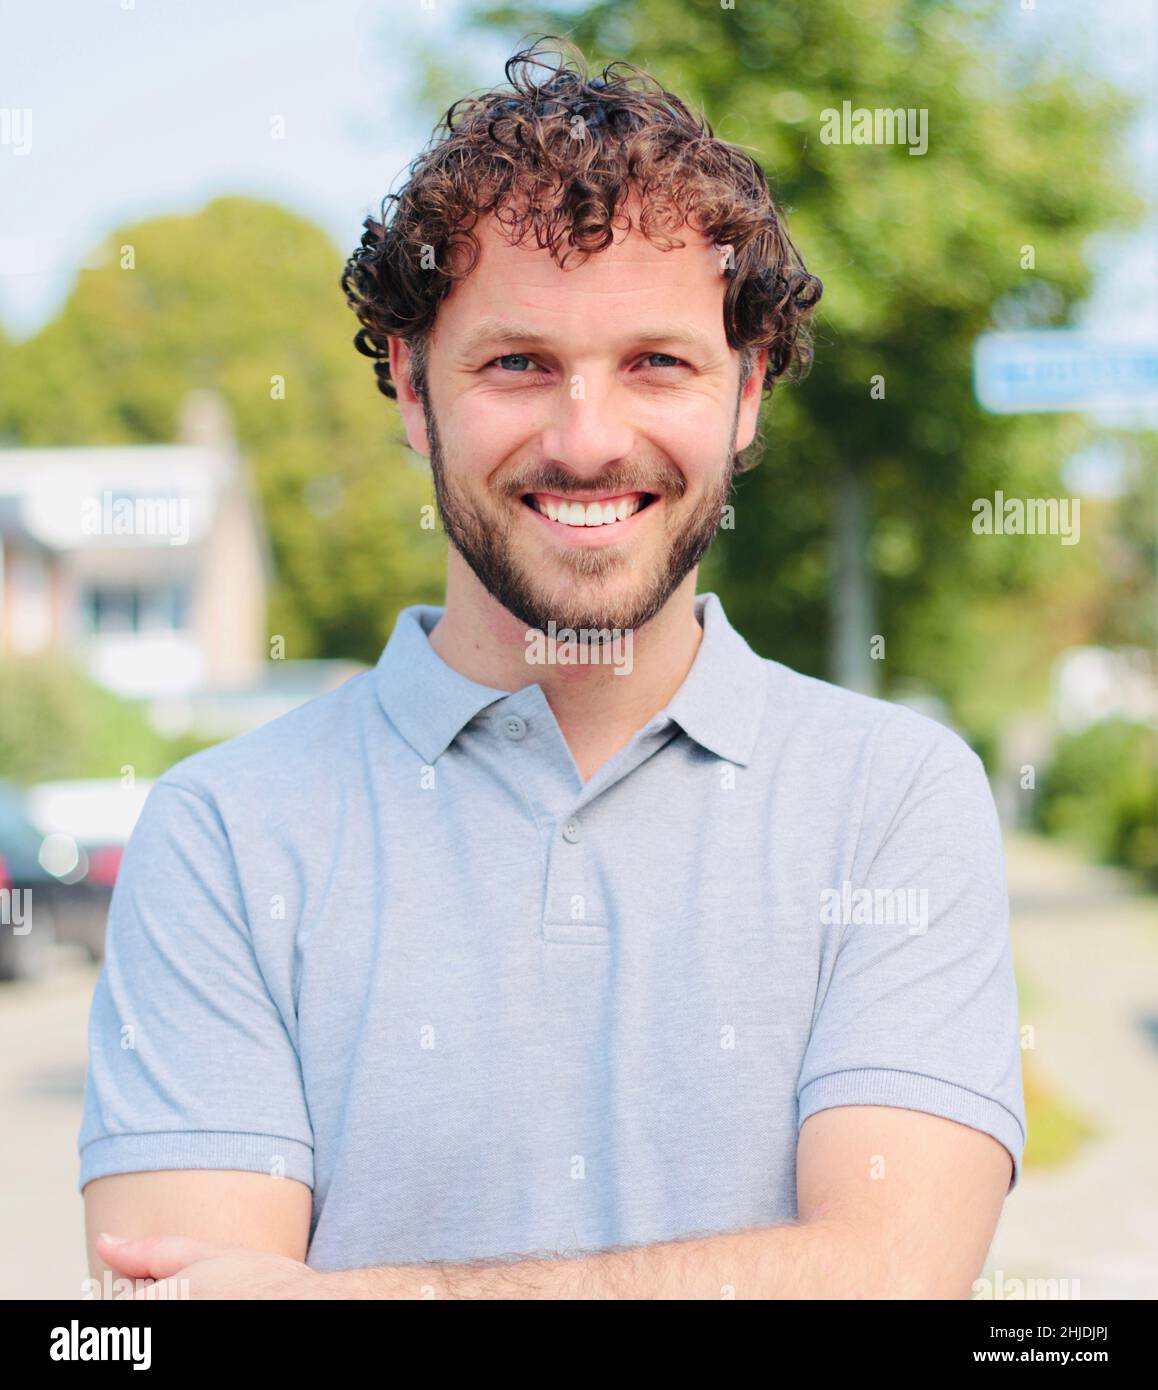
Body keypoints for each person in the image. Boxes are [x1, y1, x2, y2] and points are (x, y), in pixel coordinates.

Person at [80, 39, 1024, 1299]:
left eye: (657, 362)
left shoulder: (894, 798)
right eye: (518, 363)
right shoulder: (222, 836)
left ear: (745, 393)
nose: (588, 438)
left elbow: (886, 1280)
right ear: (414, 391)